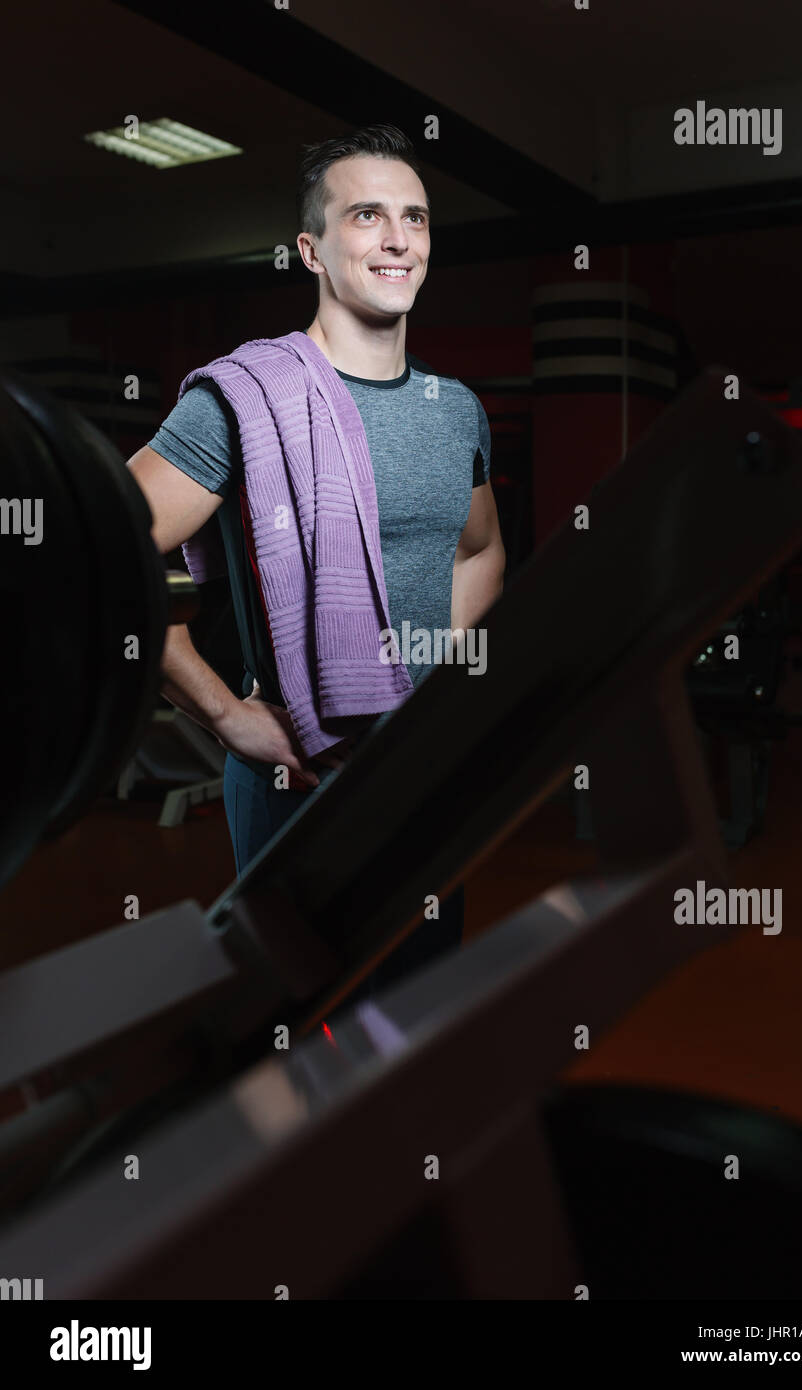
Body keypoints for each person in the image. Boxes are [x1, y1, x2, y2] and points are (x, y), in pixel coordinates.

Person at [127, 123, 506, 996]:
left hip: (421, 769)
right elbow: (102, 558)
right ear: (312, 249)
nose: (397, 238)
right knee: (296, 1034)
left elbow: (479, 549)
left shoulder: (457, 412)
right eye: (367, 215)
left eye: (414, 218)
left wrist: (445, 679)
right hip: (296, 772)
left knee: (417, 1016)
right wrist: (223, 715)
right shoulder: (243, 400)